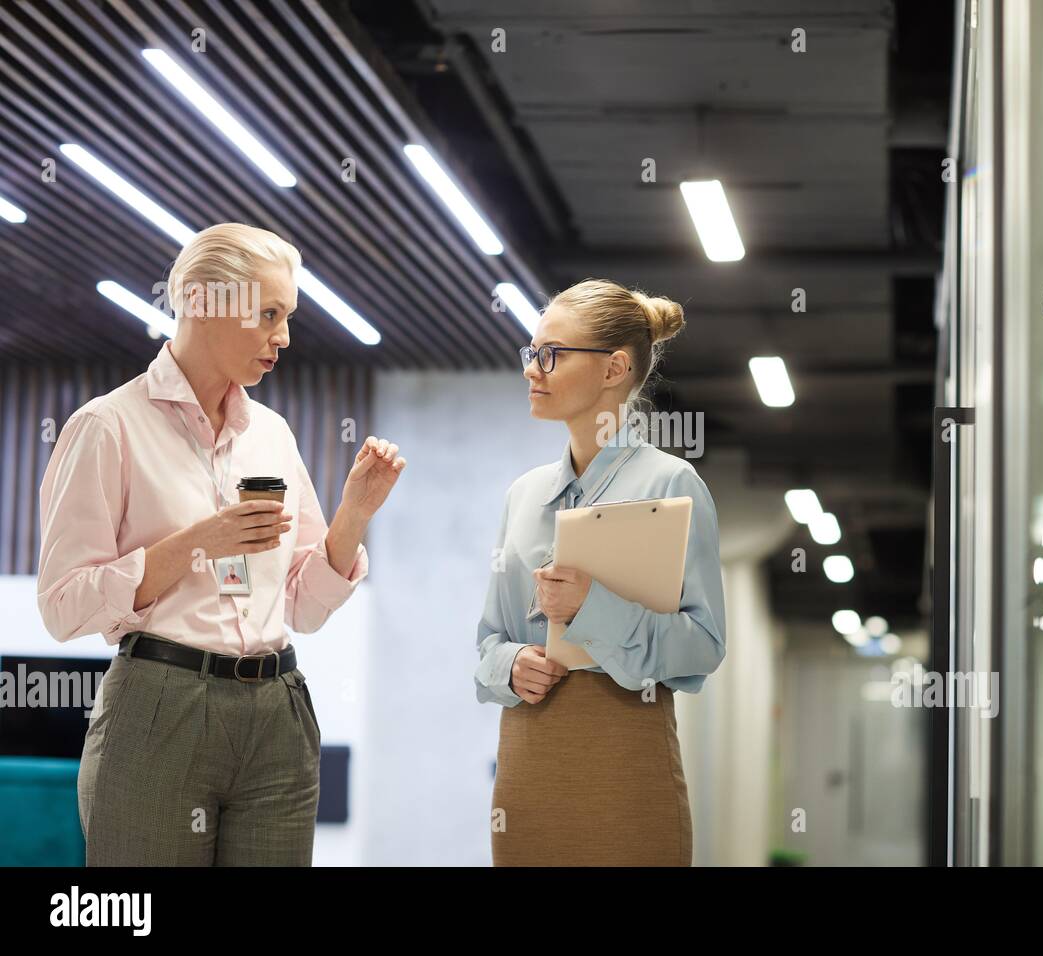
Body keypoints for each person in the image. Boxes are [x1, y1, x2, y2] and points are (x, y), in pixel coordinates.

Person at [36, 222, 406, 865]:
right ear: (203, 303)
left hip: (277, 713)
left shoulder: (273, 434)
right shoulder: (107, 426)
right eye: (269, 314)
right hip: (159, 707)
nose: (283, 336)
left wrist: (354, 514)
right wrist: (196, 542)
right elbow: (63, 606)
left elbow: (304, 608)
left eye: (287, 316)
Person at [475, 278, 726, 866]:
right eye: (531, 353)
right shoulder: (522, 494)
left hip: (626, 758)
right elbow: (487, 640)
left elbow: (704, 647)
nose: (532, 369)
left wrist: (594, 611)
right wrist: (509, 665)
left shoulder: (671, 486)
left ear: (614, 368)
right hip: (526, 764)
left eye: (551, 355)